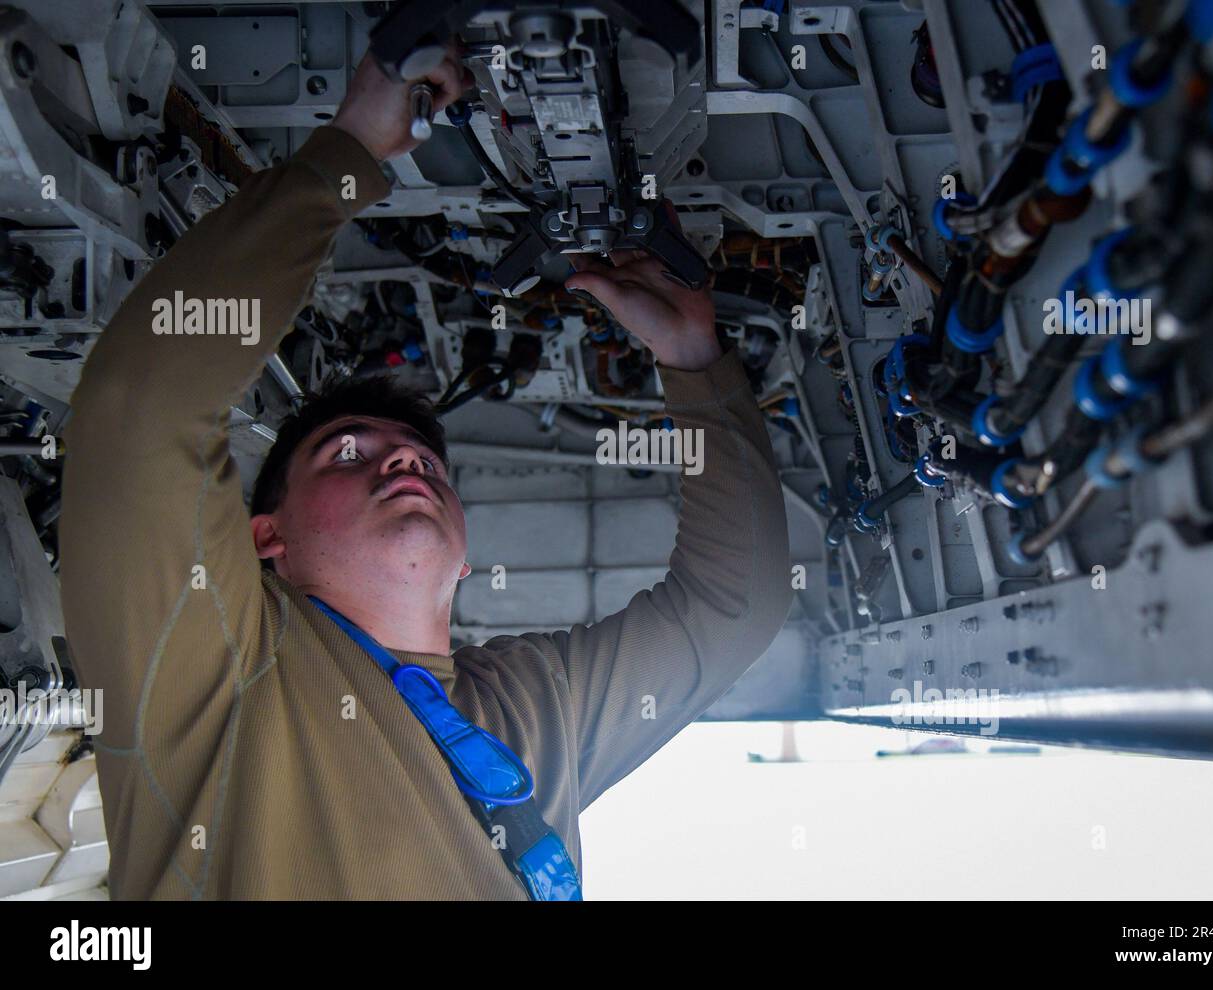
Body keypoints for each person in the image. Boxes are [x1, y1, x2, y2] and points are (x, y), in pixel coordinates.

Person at [59, 47, 792, 899]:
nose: (404, 457)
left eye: (419, 460)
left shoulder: (536, 702)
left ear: (466, 560)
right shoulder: (217, 661)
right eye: (347, 453)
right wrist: (346, 159)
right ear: (265, 540)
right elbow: (139, 406)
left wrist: (693, 360)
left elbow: (729, 606)